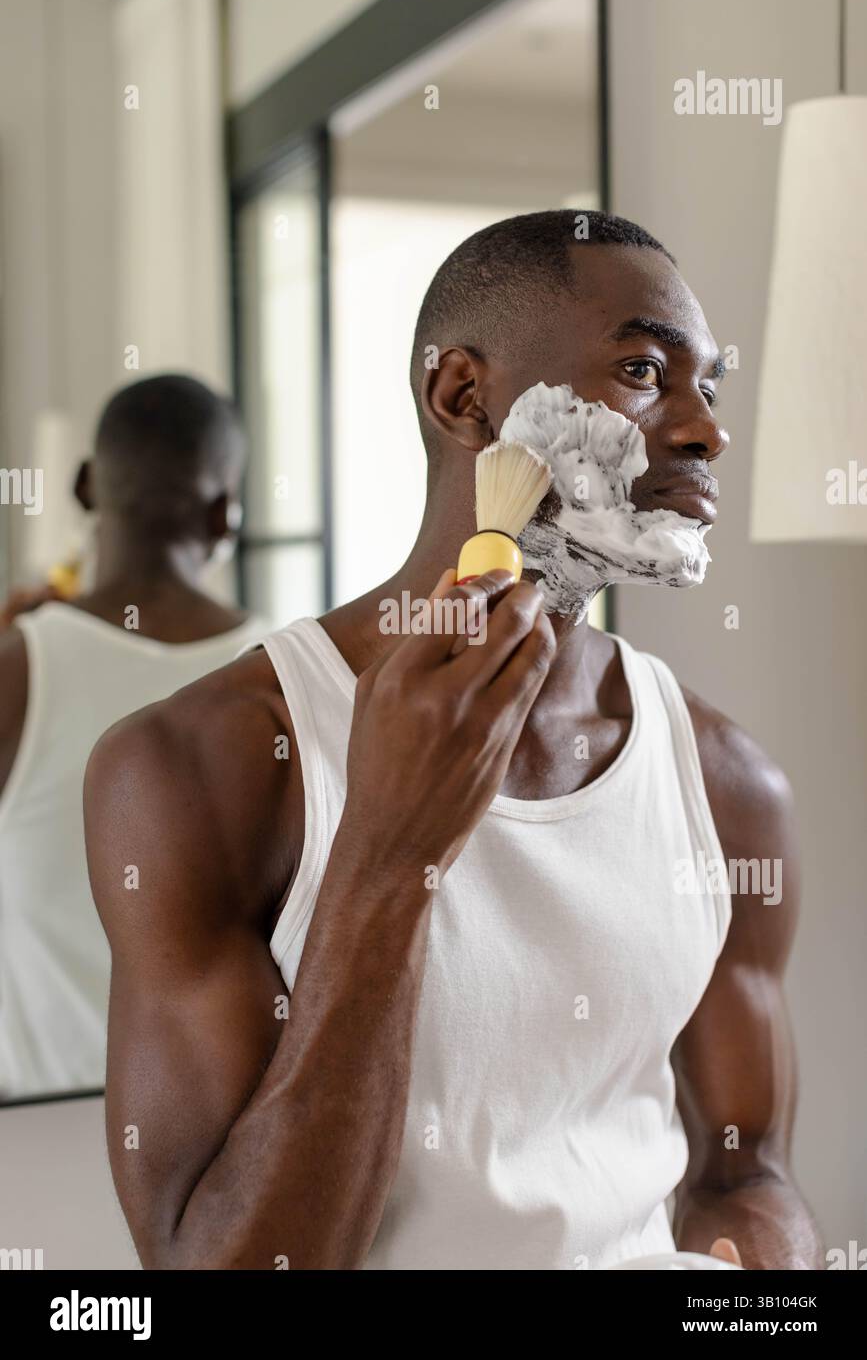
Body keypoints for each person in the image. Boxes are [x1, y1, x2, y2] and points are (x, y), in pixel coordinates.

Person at [84, 214, 822, 1270]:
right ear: (464, 398)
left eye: (710, 389)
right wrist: (389, 853)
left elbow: (748, 1176)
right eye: (645, 369)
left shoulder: (724, 780)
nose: (705, 430)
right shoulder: (206, 763)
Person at [0, 373, 268, 1099]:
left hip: (30, 1137)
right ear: (223, 517)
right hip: (216, 1137)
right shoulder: (284, 672)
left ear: (86, 486)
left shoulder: (18, 668)